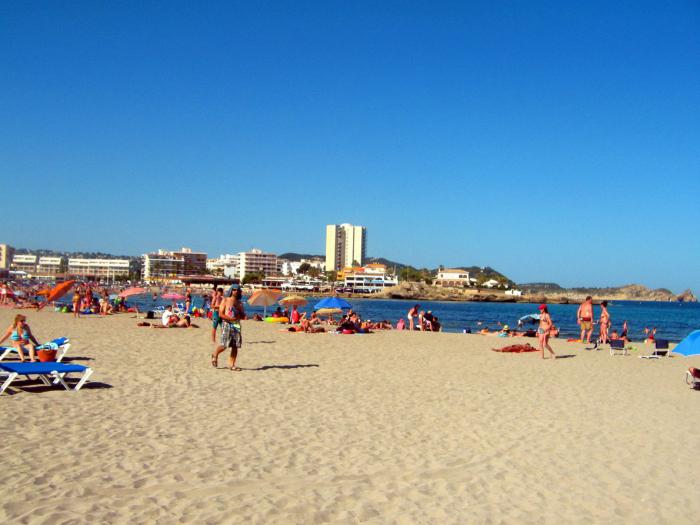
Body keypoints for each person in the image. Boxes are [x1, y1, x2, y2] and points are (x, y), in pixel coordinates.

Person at [212, 284, 245, 370]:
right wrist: (230, 318)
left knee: (235, 345)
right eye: (234, 289)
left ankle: (232, 365)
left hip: (236, 324)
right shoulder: (225, 300)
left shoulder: (240, 303)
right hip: (227, 323)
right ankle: (215, 354)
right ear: (231, 290)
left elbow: (243, 316)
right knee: (224, 345)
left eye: (237, 290)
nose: (236, 291)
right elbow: (220, 314)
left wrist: (240, 312)